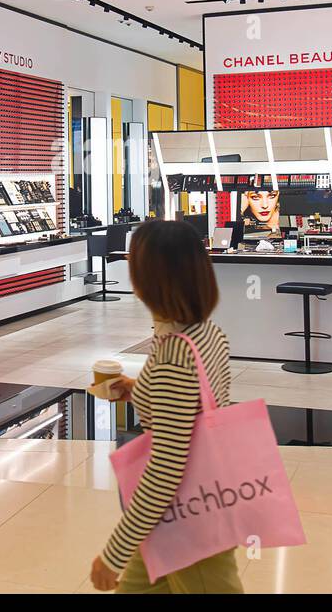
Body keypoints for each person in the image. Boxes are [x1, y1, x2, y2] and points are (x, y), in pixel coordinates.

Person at [89, 220, 243, 593]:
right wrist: (137, 389)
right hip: (183, 510)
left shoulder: (174, 355)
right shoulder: (203, 332)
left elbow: (167, 468)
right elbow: (193, 405)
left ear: (149, 279)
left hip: (190, 520)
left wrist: (114, 553)